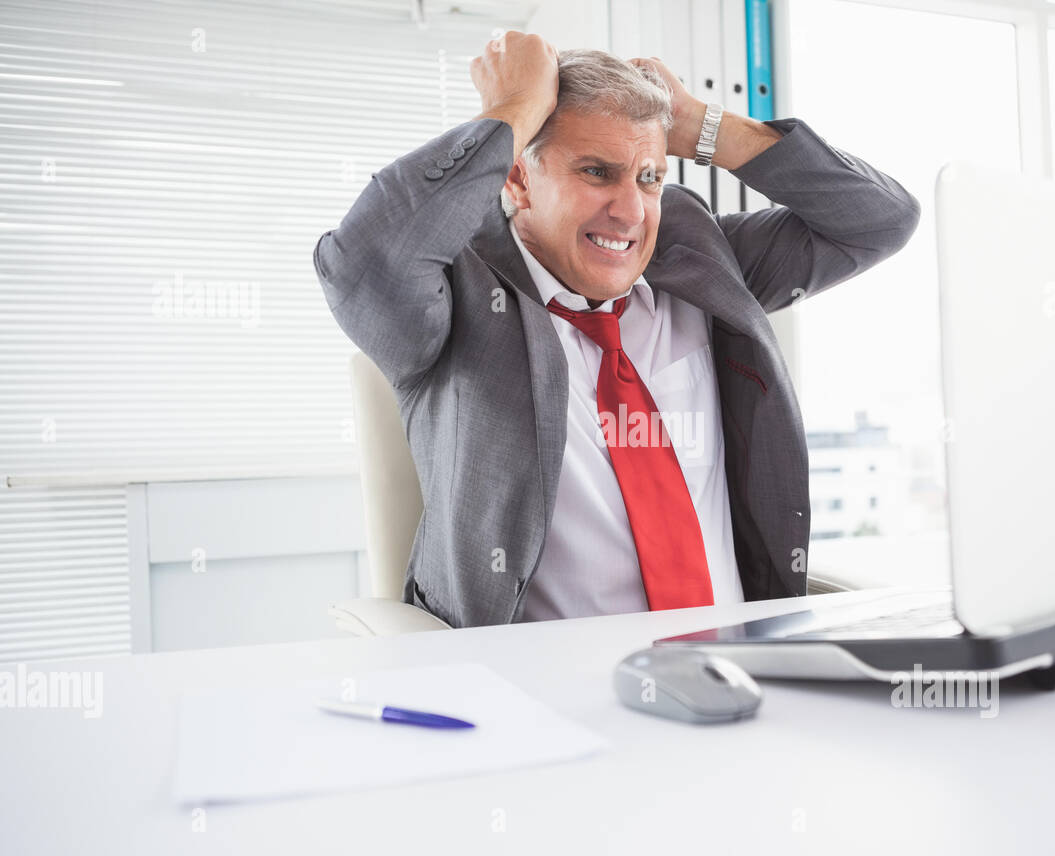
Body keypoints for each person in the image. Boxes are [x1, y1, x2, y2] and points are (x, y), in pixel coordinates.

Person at [313, 32, 921, 628]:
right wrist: (512, 112)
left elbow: (879, 221)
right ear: (519, 179)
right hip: (545, 696)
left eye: (650, 178)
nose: (630, 211)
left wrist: (704, 128)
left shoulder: (695, 257)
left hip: (740, 676)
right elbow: (362, 267)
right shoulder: (455, 292)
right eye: (597, 172)